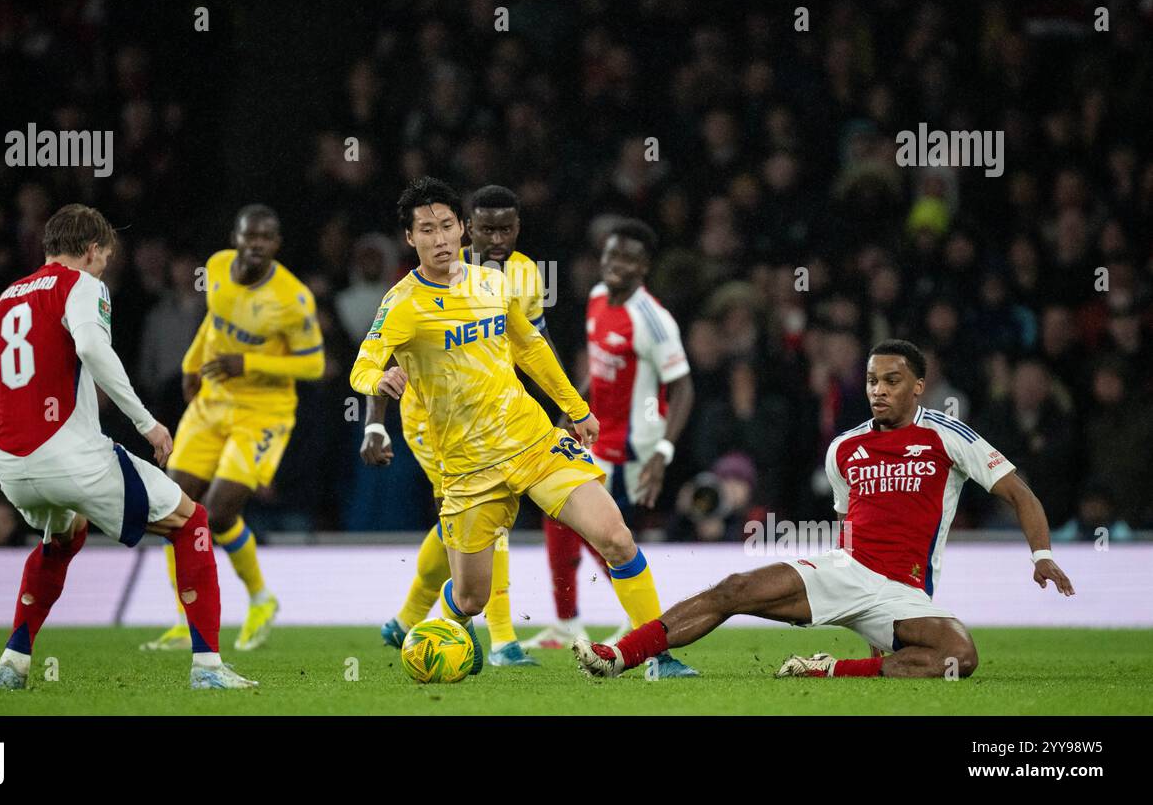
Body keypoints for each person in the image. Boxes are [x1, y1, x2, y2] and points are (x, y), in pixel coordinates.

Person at [0, 204, 254, 689]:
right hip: (69, 456)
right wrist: (147, 423)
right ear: (93, 250)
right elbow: (94, 349)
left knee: (64, 537)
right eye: (104, 261)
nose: (103, 273)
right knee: (191, 522)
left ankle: (12, 665)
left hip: (11, 468)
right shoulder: (82, 285)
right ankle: (208, 669)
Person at [350, 177, 694, 677]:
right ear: (410, 238)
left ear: (463, 230)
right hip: (468, 466)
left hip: (533, 442)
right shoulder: (401, 303)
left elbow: (530, 347)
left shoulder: (494, 284)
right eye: (427, 229)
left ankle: (657, 655)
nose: (440, 238)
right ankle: (435, 631)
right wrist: (380, 379)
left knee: (616, 537)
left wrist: (576, 409)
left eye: (448, 225)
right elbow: (362, 366)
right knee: (471, 598)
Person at [575, 339, 1075, 680]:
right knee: (733, 589)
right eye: (872, 380)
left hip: (902, 595)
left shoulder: (948, 436)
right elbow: (847, 527)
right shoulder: (844, 448)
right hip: (847, 570)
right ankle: (619, 655)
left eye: (892, 381)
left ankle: (829, 669)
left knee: (960, 657)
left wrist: (1041, 555)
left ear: (919, 386)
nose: (879, 390)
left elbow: (1019, 493)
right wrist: (832, 578)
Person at [360, 184, 550, 666]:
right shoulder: (427, 282)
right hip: (433, 420)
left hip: (498, 414)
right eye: (485, 229)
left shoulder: (525, 275)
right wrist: (374, 426)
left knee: (459, 524)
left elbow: (534, 344)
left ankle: (406, 619)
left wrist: (566, 405)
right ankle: (505, 640)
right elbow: (386, 360)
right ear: (471, 230)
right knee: (486, 512)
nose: (495, 239)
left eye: (504, 229)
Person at [143, 205, 325, 652]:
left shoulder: (292, 298)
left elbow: (315, 363)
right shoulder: (219, 267)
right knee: (173, 509)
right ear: (237, 237)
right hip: (212, 404)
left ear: (276, 244)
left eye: (266, 238)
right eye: (250, 237)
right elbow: (215, 320)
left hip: (263, 412)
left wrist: (250, 362)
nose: (256, 245)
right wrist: (191, 363)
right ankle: (188, 620)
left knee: (219, 512)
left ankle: (262, 599)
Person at [524, 220, 696, 655]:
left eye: (627, 257)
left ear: (644, 266)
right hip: (595, 436)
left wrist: (662, 452)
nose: (616, 264)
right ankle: (567, 623)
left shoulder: (653, 320)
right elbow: (600, 371)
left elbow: (684, 387)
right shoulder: (598, 300)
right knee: (560, 515)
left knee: (601, 531)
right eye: (611, 254)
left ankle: (641, 621)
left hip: (634, 448)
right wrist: (574, 409)